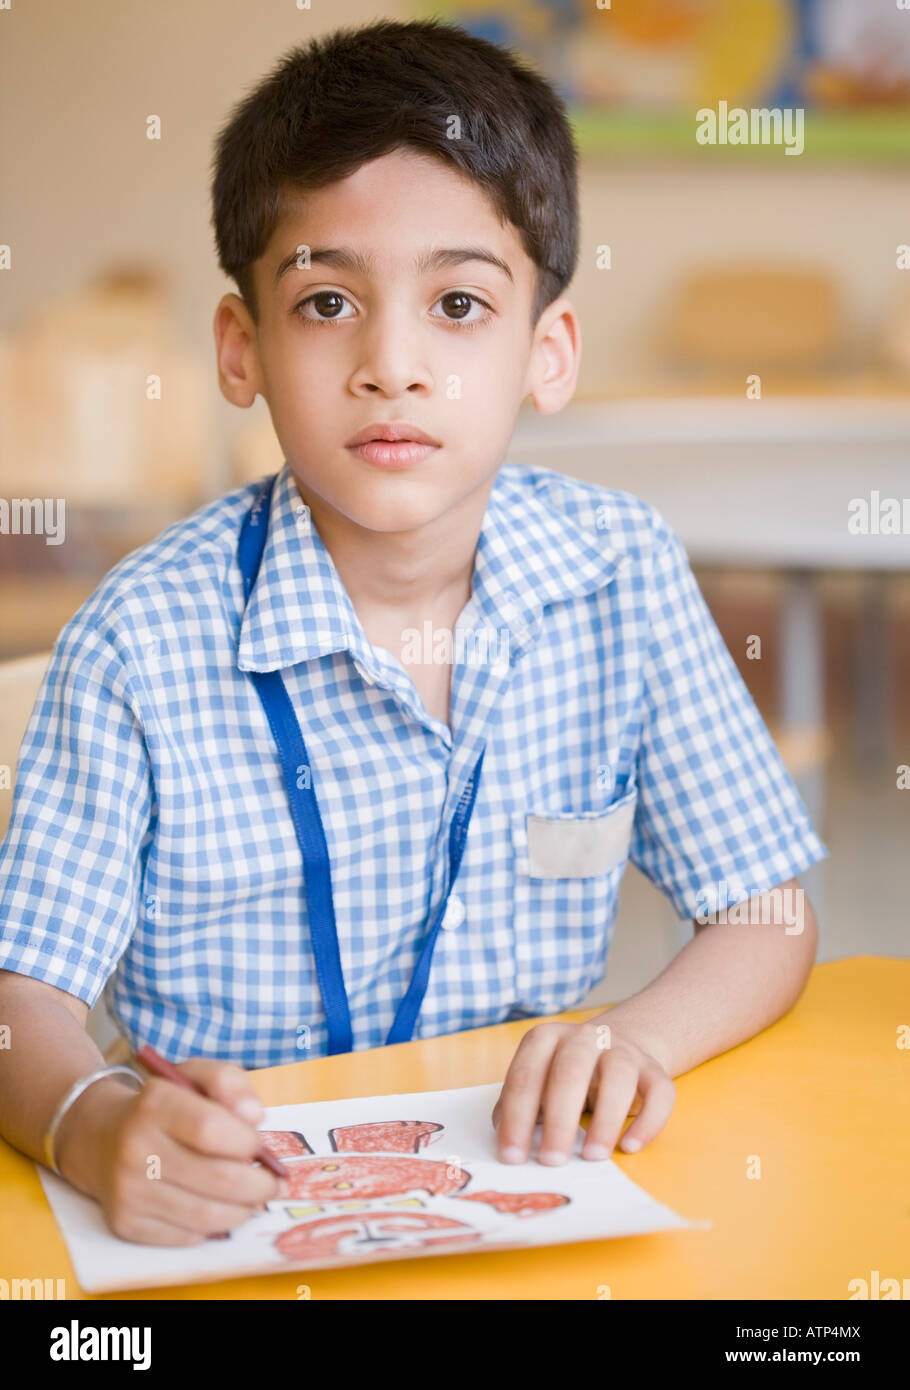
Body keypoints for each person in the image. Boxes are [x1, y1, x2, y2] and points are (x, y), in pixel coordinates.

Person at [0, 18, 826, 1247]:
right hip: (236, 1220)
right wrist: (91, 1118)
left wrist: (632, 1037)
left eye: (457, 302)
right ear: (243, 350)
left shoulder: (619, 573)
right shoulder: (138, 642)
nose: (392, 363)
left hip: (520, 1198)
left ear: (545, 353)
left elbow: (765, 910)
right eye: (327, 301)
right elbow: (22, 998)